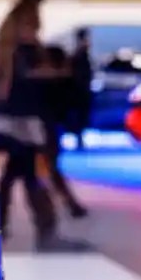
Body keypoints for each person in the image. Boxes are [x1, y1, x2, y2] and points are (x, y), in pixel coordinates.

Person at [0, 0, 59, 249]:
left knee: (17, 168)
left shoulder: (14, 19)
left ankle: (4, 220)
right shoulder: (22, 22)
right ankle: (43, 219)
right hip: (23, 106)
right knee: (27, 164)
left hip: (16, 106)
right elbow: (16, 65)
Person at [38, 44, 88, 218]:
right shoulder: (65, 81)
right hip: (49, 128)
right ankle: (69, 204)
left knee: (39, 170)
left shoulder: (50, 83)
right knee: (47, 169)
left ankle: (67, 205)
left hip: (42, 129)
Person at [67, 27, 95, 151]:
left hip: (82, 90)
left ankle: (79, 137)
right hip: (79, 91)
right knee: (79, 116)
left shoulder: (82, 55)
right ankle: (78, 137)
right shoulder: (79, 56)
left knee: (81, 116)